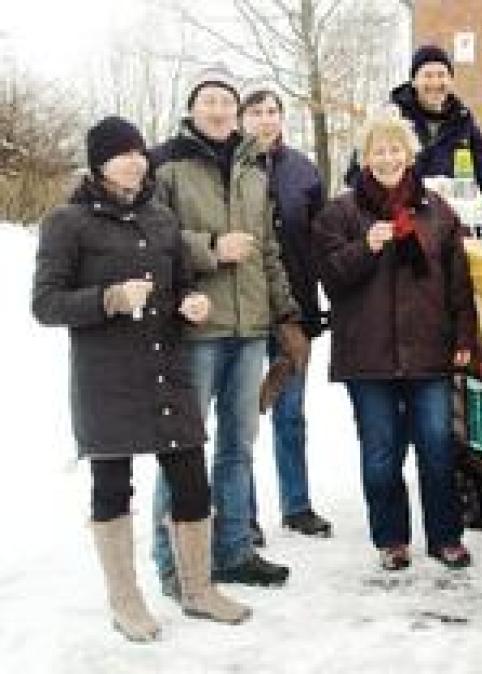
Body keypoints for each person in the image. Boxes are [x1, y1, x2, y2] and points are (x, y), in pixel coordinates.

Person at [32, 116, 251, 641]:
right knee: (112, 488)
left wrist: (189, 303)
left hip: (167, 369)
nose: (134, 160)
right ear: (98, 162)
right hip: (107, 378)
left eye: (138, 151)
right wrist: (108, 299)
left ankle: (198, 590)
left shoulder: (159, 217)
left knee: (191, 481)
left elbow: (178, 284)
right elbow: (44, 304)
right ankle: (126, 603)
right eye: (120, 153)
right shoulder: (68, 222)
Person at [149, 65, 308, 592]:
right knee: (183, 448)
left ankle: (233, 551)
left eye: (226, 100)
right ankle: (173, 562)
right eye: (208, 99)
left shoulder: (252, 167)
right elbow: (156, 240)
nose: (218, 109)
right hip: (197, 329)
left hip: (250, 329)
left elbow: (268, 251)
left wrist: (286, 315)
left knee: (238, 446)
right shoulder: (167, 165)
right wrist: (212, 249)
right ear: (193, 107)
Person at [311, 108, 478, 571]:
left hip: (428, 352)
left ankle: (446, 537)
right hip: (368, 357)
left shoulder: (436, 211)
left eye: (395, 149)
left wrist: (464, 334)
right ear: (364, 158)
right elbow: (330, 277)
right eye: (377, 151)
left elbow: (458, 282)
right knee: (381, 455)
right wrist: (366, 247)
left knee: (437, 449)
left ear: (409, 154)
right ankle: (391, 540)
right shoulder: (341, 213)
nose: (387, 158)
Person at [239, 83, 333, 542]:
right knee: (244, 415)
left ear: (282, 118)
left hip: (293, 310)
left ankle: (297, 505)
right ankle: (245, 514)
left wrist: (316, 309)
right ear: (242, 120)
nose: (263, 119)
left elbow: (320, 243)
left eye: (271, 111)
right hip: (243, 312)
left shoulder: (304, 171)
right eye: (254, 112)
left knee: (291, 413)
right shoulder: (231, 168)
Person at [345, 45, 482, 200]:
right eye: (428, 75)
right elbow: (356, 175)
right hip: (397, 212)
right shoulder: (390, 117)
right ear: (414, 81)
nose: (435, 82)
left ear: (450, 80)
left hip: (448, 214)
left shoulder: (463, 119)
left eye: (441, 75)